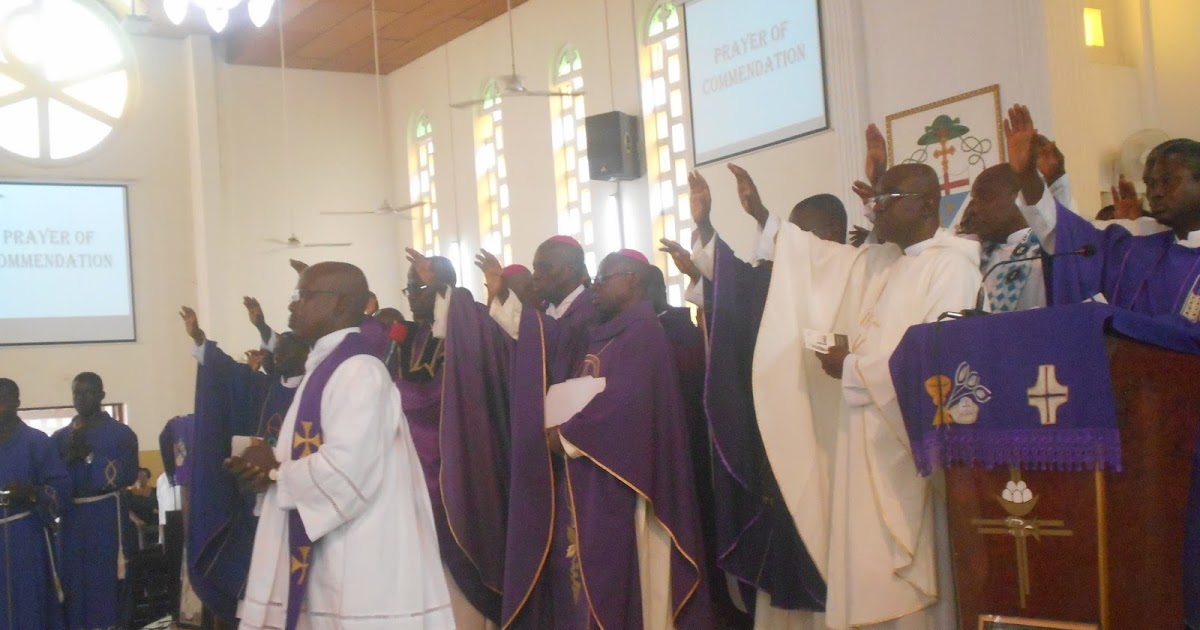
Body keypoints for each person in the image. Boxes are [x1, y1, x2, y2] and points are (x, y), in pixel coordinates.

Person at [754, 163, 981, 629]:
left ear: (924, 204)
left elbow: (940, 363)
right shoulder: (884, 261)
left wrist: (853, 366)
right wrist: (767, 221)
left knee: (908, 591)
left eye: (886, 198)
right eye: (873, 200)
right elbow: (822, 262)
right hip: (862, 438)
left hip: (906, 453)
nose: (874, 209)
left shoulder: (950, 265)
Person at [227, 261, 451, 630]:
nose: (291, 306)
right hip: (330, 552)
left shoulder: (358, 371)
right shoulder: (328, 365)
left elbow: (348, 471)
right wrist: (267, 469)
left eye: (303, 296)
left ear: (342, 304)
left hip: (358, 563)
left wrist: (274, 472)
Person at [502, 250, 713, 629]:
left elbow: (626, 404)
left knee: (628, 585)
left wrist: (567, 433)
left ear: (633, 280)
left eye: (604, 277)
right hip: (599, 474)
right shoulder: (610, 331)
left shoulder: (643, 331)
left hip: (630, 483)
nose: (594, 285)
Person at [659, 166, 832, 626]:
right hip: (782, 441)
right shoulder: (780, 285)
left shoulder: (851, 275)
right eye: (786, 235)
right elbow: (739, 292)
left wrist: (758, 216)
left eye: (798, 236)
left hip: (832, 445)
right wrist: (706, 227)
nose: (788, 247)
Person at [399, 249, 513, 629]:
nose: (412, 295)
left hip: (460, 463)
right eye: (409, 288)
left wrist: (447, 288)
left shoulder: (472, 323)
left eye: (420, 287)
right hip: (419, 469)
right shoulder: (416, 338)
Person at [1006, 104, 1200, 325]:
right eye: (1149, 183)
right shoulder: (1133, 251)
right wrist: (1028, 177)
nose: (1155, 192)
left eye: (1167, 181)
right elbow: (1065, 236)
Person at [179, 304, 307, 625]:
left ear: (305, 354)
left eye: (283, 351)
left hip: (303, 503)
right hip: (262, 504)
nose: (275, 357)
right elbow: (225, 377)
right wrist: (200, 340)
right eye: (275, 352)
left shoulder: (319, 389)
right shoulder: (264, 388)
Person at [52, 372, 139, 630]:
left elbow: (129, 474)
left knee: (105, 580)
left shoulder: (122, 434)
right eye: (76, 393)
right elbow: (51, 481)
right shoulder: (58, 438)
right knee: (74, 582)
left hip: (106, 517)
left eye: (88, 392)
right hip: (71, 521)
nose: (81, 398)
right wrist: (67, 459)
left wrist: (90, 457)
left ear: (102, 395)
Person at [0, 378, 71, 630]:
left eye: (4, 399)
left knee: (30, 605)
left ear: (17, 402)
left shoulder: (37, 442)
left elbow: (61, 492)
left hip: (26, 537)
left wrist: (32, 493)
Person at [957, 164, 1047, 312]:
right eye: (974, 200)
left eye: (984, 198)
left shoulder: (1044, 250)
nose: (975, 208)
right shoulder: (973, 249)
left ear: (1018, 197)